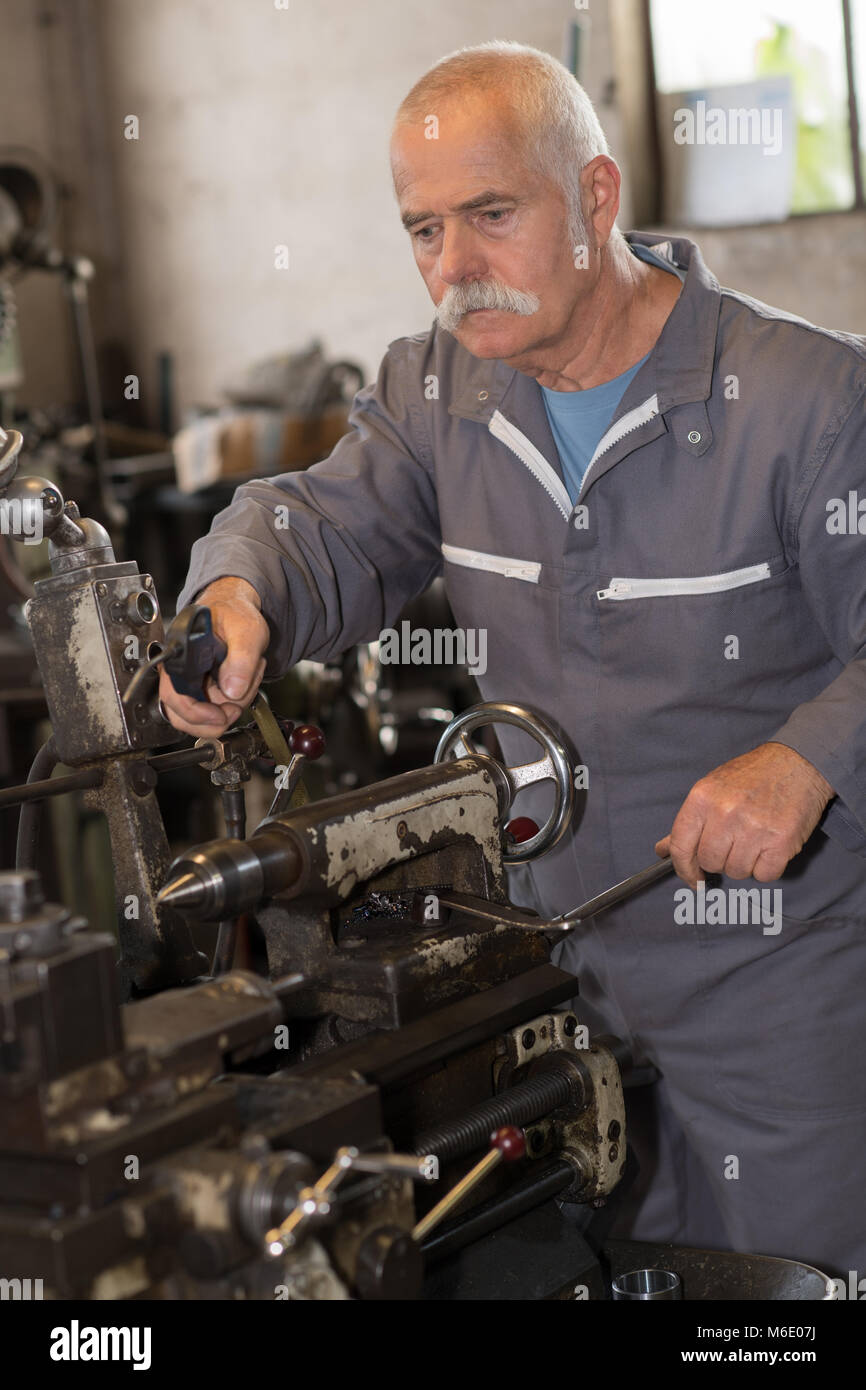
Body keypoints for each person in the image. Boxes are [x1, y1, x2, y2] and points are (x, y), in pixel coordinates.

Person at [161, 41, 866, 1279]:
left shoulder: (805, 400)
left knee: (779, 1296)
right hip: (549, 966)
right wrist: (239, 589)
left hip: (780, 982)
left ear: (594, 198)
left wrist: (803, 759)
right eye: (422, 229)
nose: (453, 268)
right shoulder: (438, 393)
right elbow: (321, 525)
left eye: (490, 215)